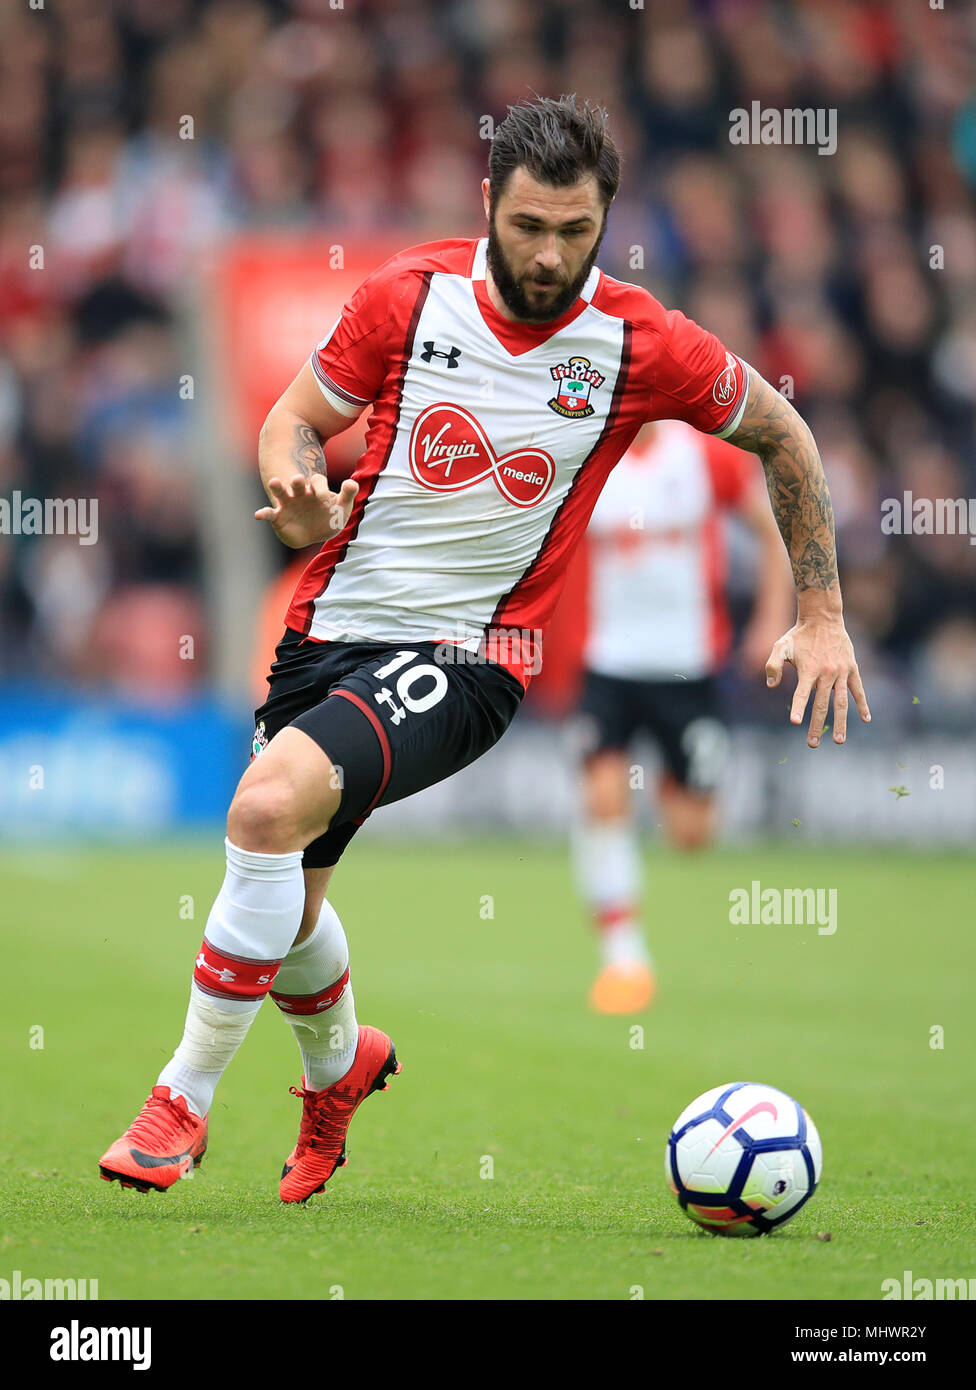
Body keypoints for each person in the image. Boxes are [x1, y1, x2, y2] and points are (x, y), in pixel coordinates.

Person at [98, 95, 869, 1204]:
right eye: (527, 228)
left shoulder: (640, 340)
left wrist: (821, 608)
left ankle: (180, 1101)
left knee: (262, 812)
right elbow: (290, 419)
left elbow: (782, 431)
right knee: (291, 901)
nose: (550, 255)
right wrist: (294, 485)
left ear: (605, 217)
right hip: (330, 630)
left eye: (574, 230)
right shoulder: (406, 298)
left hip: (477, 649)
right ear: (486, 206)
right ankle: (339, 1071)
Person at [569, 419, 794, 1014]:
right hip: (609, 665)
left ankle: (660, 787)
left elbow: (771, 530)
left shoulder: (706, 458)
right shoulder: (588, 452)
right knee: (602, 797)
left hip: (688, 671)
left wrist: (772, 620)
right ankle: (624, 959)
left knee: (692, 834)